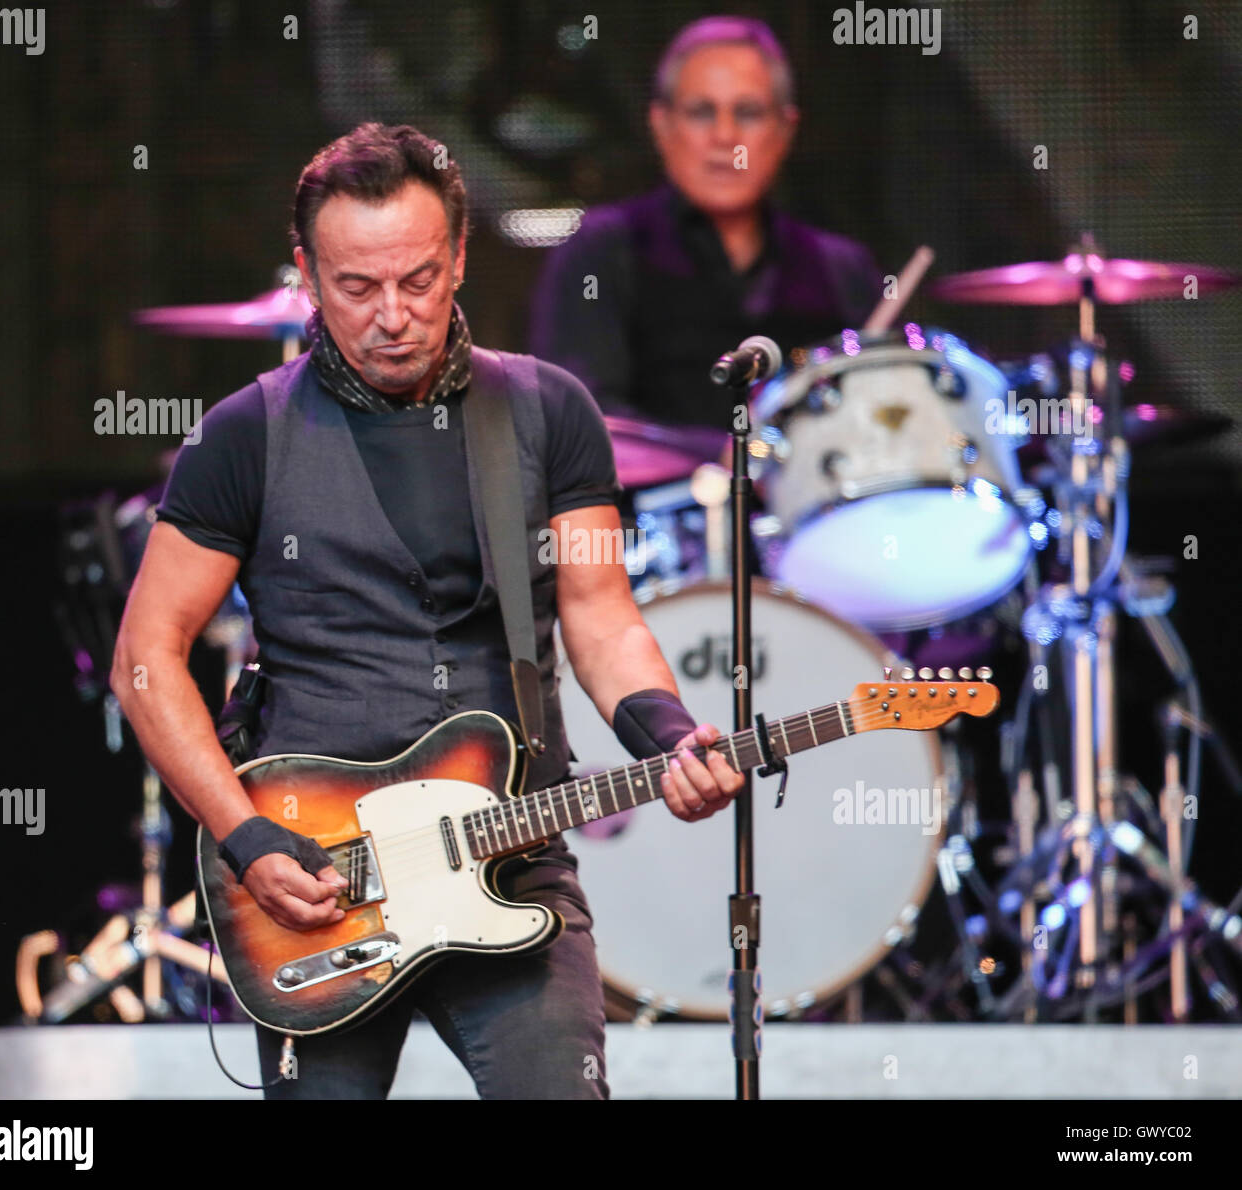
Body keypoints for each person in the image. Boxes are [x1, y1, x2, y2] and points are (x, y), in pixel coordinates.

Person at [110, 122, 744, 1100]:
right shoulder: (243, 435)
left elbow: (601, 612)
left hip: (510, 857)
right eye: (357, 287)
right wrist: (244, 837)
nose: (392, 315)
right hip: (315, 878)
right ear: (307, 274)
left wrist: (666, 732)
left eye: (416, 279)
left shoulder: (548, 413)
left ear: (457, 258)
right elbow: (146, 654)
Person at [529, 16, 884, 432]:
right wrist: (729, 460)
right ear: (661, 126)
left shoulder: (844, 269)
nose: (724, 136)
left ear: (786, 130)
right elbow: (577, 424)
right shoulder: (599, 251)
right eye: (701, 112)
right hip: (657, 497)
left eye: (748, 113)